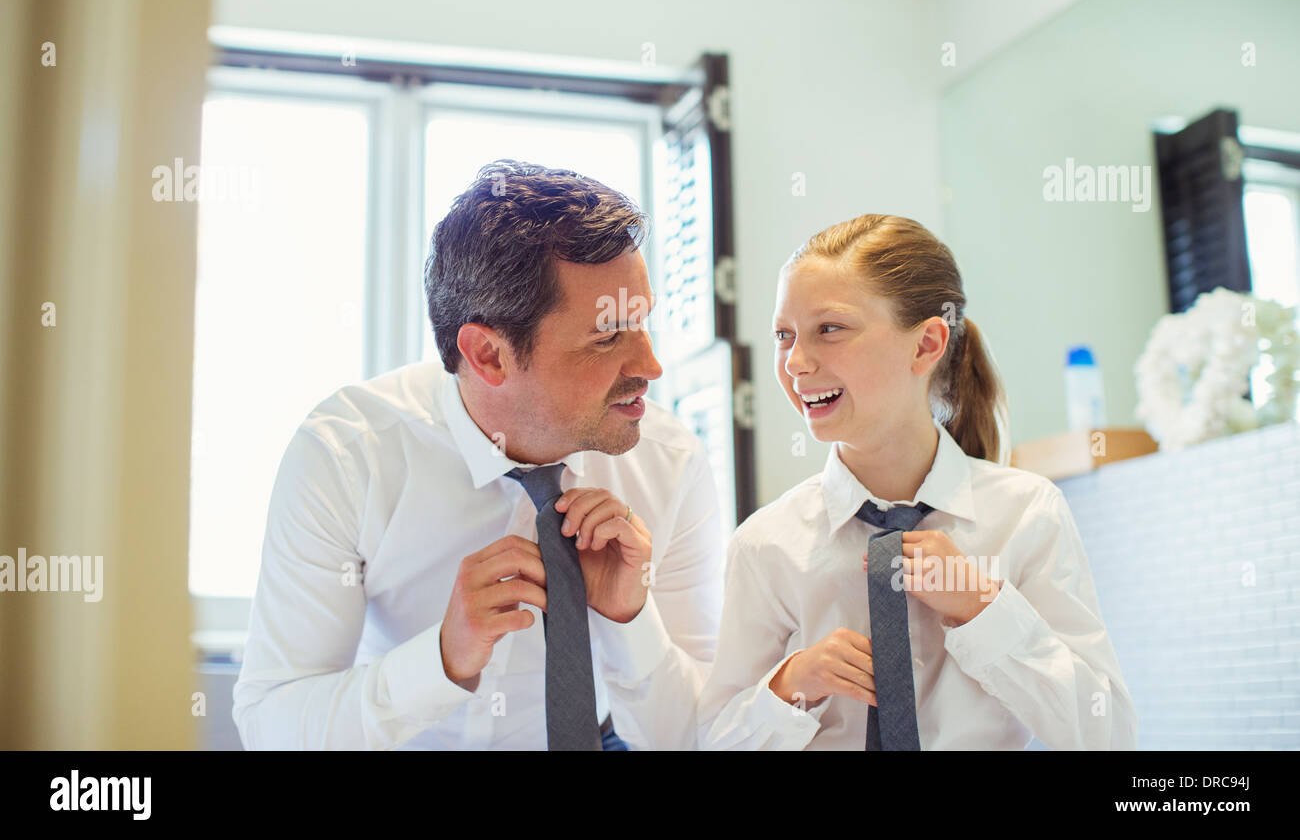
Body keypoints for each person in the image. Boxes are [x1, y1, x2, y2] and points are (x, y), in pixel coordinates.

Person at [233, 160, 724, 750]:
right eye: (607, 336)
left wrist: (631, 621)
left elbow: (702, 737)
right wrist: (443, 659)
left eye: (644, 325)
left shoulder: (671, 462)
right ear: (488, 355)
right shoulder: (346, 454)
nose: (651, 366)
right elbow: (270, 725)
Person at [698, 214, 1138, 750]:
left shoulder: (1027, 514)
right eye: (783, 336)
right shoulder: (765, 545)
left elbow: (1104, 734)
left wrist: (983, 611)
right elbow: (713, 740)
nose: (795, 362)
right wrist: (791, 686)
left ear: (927, 345)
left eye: (829, 329)